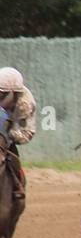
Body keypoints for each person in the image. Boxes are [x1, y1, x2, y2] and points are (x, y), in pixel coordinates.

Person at [0, 67, 36, 199]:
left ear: (14, 93)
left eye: (2, 95)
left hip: (11, 133)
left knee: (12, 156)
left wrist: (8, 135)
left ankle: (17, 184)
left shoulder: (25, 105)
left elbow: (27, 134)